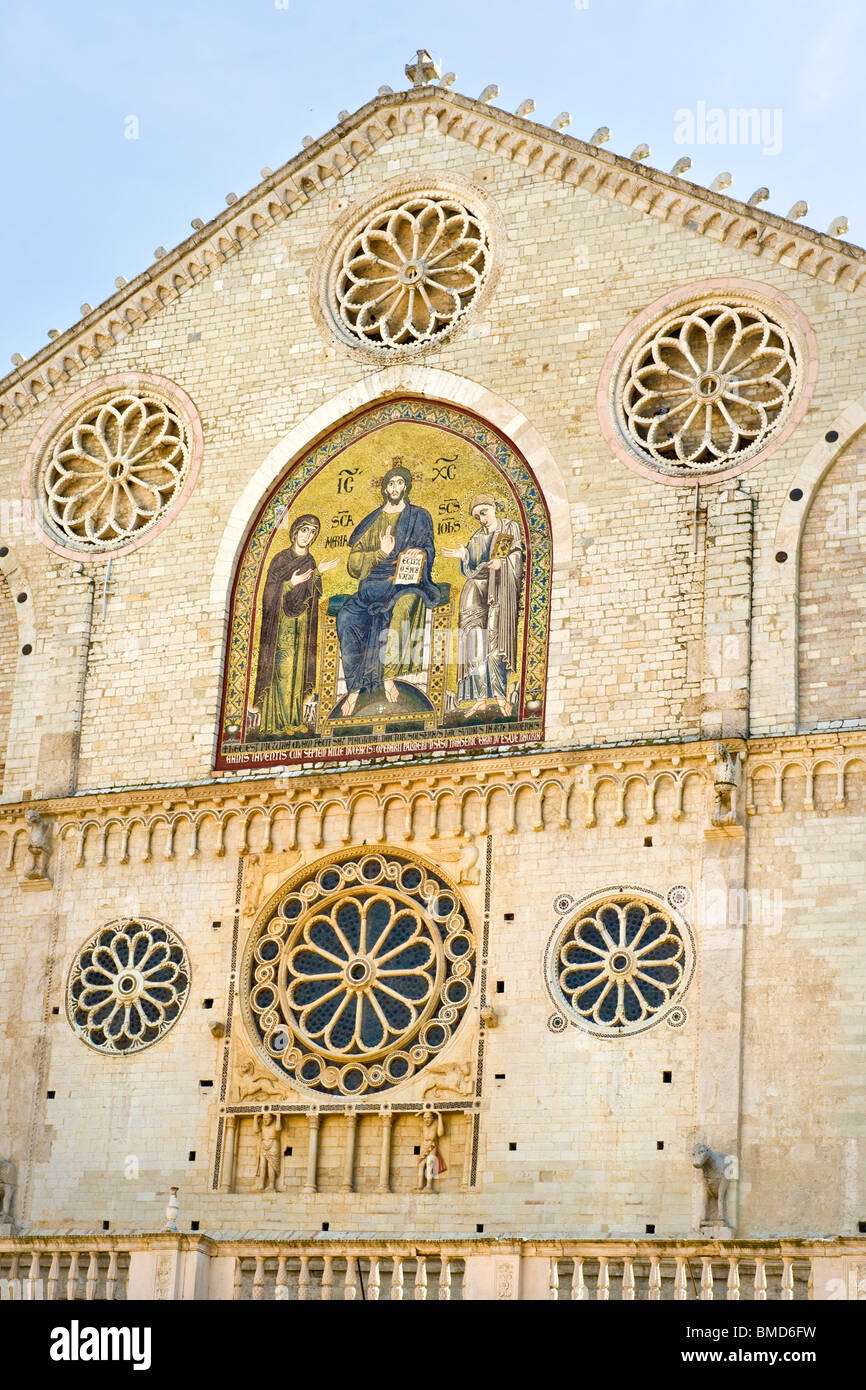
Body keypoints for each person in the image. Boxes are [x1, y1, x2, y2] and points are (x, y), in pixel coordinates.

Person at [335, 460, 439, 715]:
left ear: (407, 486)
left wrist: (420, 553)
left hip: (405, 581)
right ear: (384, 488)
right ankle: (354, 688)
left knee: (403, 606)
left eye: (400, 482)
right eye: (391, 483)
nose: (395, 487)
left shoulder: (419, 516)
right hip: (372, 585)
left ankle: (388, 677)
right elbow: (354, 562)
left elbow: (428, 547)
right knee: (346, 617)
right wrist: (380, 553)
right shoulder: (373, 521)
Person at [248, 514, 338, 737]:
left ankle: (294, 720)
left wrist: (318, 573)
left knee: (298, 671)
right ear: (295, 531)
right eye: (304, 530)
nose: (307, 536)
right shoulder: (280, 559)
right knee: (283, 670)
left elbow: (310, 592)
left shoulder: (310, 561)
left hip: (302, 624)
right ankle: (274, 724)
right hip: (281, 626)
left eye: (312, 533)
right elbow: (269, 594)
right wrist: (290, 583)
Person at [443, 495, 524, 718]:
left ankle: (500, 697)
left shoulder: (509, 526)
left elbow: (512, 554)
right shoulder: (477, 537)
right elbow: (470, 571)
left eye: (485, 511)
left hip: (498, 591)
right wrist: (464, 556)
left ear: (495, 508)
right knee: (474, 643)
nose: (482, 518)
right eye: (477, 515)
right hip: (474, 590)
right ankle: (479, 699)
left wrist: (502, 561)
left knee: (494, 645)